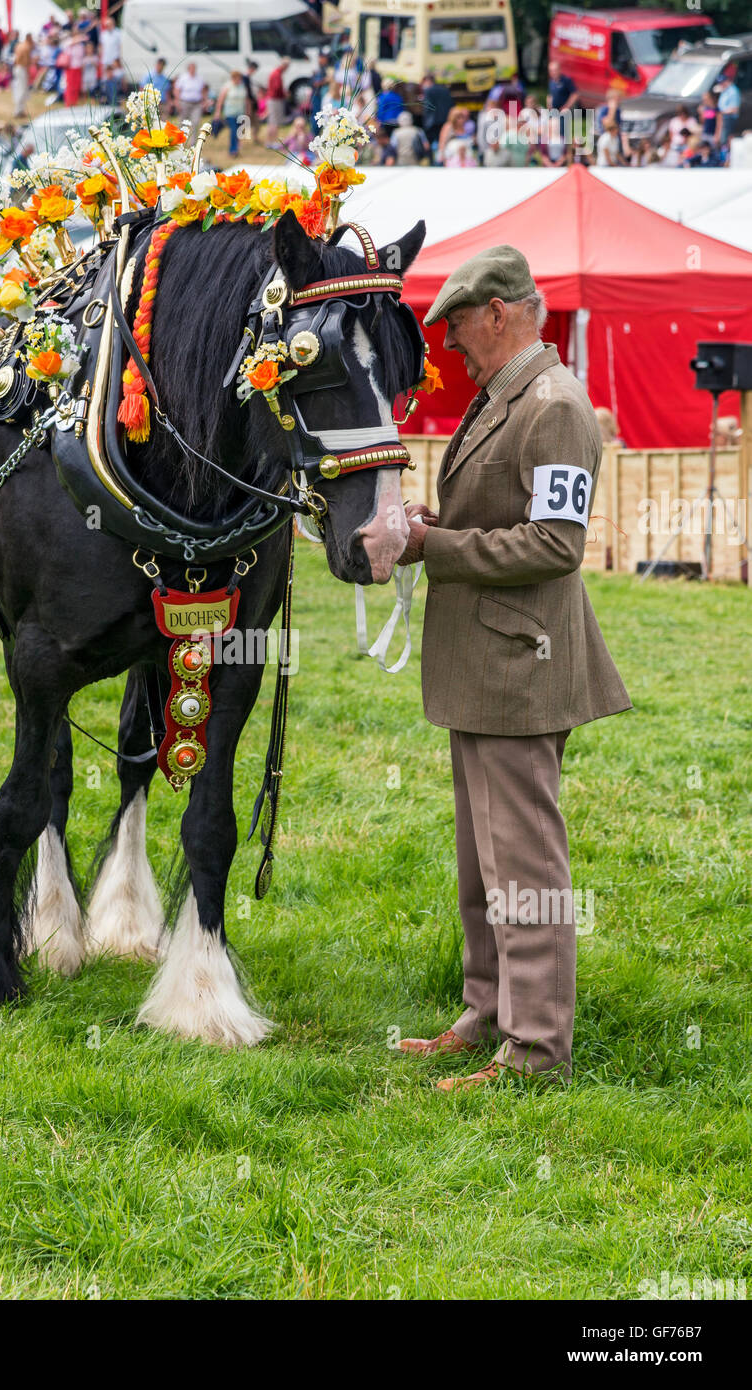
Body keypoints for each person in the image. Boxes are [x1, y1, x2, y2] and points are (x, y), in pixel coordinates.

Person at [396, 245, 631, 1090]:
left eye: (456, 329)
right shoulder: (512, 396)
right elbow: (504, 512)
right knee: (481, 863)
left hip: (516, 671)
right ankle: (488, 1011)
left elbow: (555, 545)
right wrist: (437, 521)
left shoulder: (553, 404)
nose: (450, 348)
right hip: (489, 667)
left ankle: (535, 1051)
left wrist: (434, 545)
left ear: (497, 312)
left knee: (523, 872)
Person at [215, 71, 250, 157]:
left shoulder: (242, 86)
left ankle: (236, 148)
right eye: (237, 78)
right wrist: (218, 112)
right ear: (233, 78)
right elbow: (221, 99)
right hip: (230, 113)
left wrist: (247, 111)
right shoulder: (228, 86)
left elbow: (246, 99)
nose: (238, 80)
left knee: (240, 132)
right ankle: (233, 150)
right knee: (234, 131)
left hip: (240, 112)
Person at [420, 68, 452, 154]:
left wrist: (425, 121)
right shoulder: (445, 89)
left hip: (433, 122)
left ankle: (434, 161)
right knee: (443, 140)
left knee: (432, 143)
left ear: (428, 81)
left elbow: (428, 107)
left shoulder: (428, 90)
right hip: (445, 119)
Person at [174, 62, 207, 136]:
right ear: (188, 69)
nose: (193, 70)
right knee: (182, 123)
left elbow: (203, 91)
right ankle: (180, 142)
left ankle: (193, 144)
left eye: (194, 68)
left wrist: (205, 101)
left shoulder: (199, 78)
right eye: (191, 68)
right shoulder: (183, 78)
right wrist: (177, 101)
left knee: (196, 123)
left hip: (197, 104)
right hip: (185, 103)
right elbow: (177, 90)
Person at [264, 57, 290, 145]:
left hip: (273, 99)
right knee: (275, 122)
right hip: (275, 100)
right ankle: (273, 142)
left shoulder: (276, 73)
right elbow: (277, 88)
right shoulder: (277, 74)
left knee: (272, 121)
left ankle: (270, 141)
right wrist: (284, 94)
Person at [718, 70, 741, 153]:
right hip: (724, 117)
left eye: (722, 82)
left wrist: (722, 113)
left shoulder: (733, 92)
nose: (721, 84)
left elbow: (734, 109)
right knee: (723, 139)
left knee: (728, 138)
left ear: (727, 81)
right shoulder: (725, 91)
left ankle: (728, 155)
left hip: (729, 118)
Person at [12, 32, 33, 118]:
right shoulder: (26, 47)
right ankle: (18, 111)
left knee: (19, 89)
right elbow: (26, 62)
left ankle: (20, 110)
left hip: (17, 68)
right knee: (22, 90)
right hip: (22, 69)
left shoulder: (19, 45)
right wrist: (28, 72)